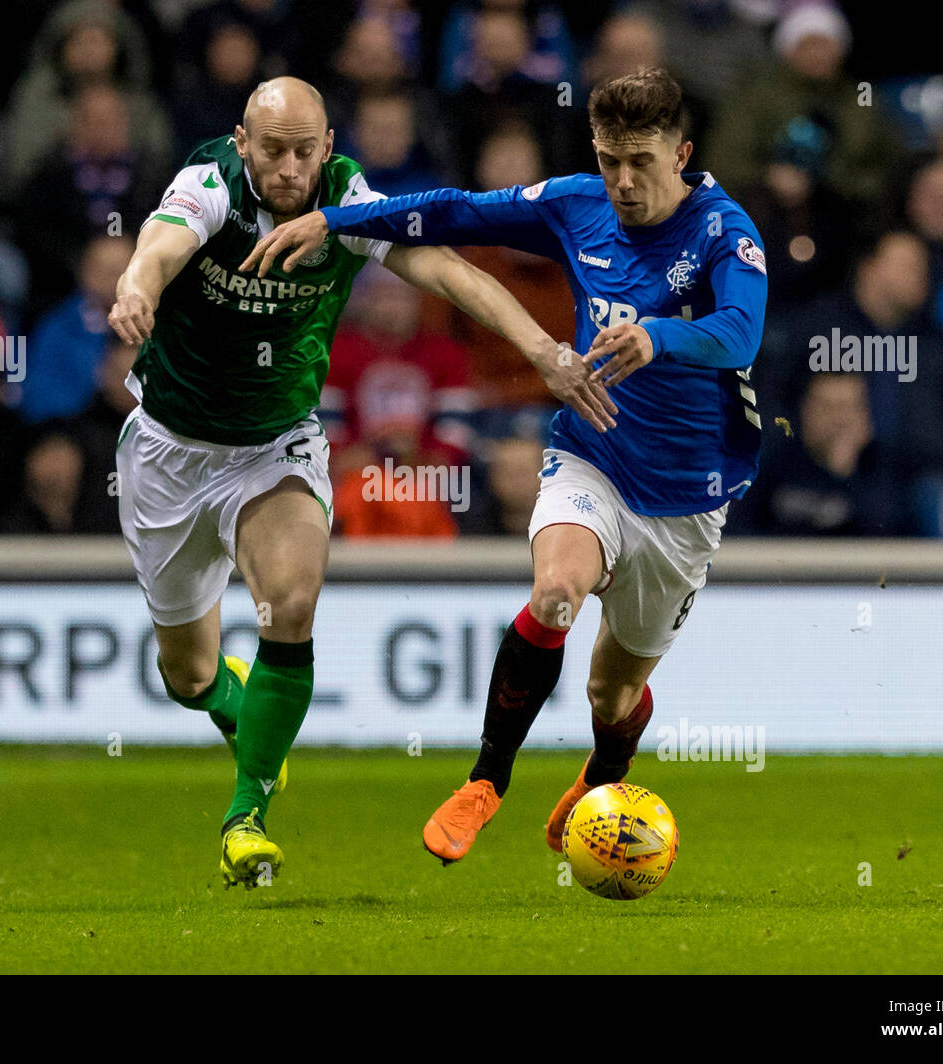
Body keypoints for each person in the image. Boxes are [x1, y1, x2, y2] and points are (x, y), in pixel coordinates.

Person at [245, 67, 767, 864]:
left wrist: (660, 337)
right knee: (556, 593)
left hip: (688, 496)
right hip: (593, 450)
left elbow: (739, 333)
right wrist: (338, 218)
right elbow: (454, 210)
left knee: (611, 692)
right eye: (608, 160)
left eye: (641, 164)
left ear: (682, 154)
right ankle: (486, 781)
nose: (622, 182)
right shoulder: (577, 204)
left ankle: (605, 771)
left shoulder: (725, 233)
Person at [108, 76, 613, 889]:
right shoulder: (209, 182)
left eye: (305, 150)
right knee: (188, 676)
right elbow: (162, 244)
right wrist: (137, 286)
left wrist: (542, 349)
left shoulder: (347, 203)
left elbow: (448, 273)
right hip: (168, 450)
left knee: (293, 602)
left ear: (328, 146)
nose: (288, 167)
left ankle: (246, 815)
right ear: (244, 144)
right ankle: (246, 711)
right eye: (272, 150)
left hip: (275, 448)